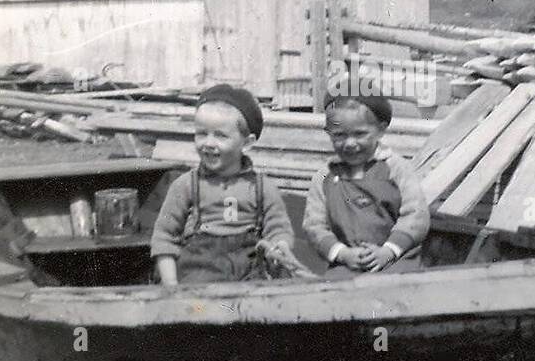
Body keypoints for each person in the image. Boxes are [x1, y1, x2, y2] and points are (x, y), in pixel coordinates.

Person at [151, 84, 299, 287]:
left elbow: (279, 229)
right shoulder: (185, 185)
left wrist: (278, 247)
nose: (208, 143)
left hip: (251, 263)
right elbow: (164, 237)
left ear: (246, 143)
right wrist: (171, 285)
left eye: (220, 135)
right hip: (201, 266)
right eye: (202, 133)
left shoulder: (261, 187)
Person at [303, 92, 430, 276]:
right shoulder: (325, 177)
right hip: (348, 263)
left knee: (402, 288)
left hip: (396, 259)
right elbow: (314, 225)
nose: (350, 143)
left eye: (360, 134)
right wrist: (342, 253)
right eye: (339, 135)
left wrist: (389, 250)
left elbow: (415, 216)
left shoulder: (396, 168)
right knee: (334, 289)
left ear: (380, 130)